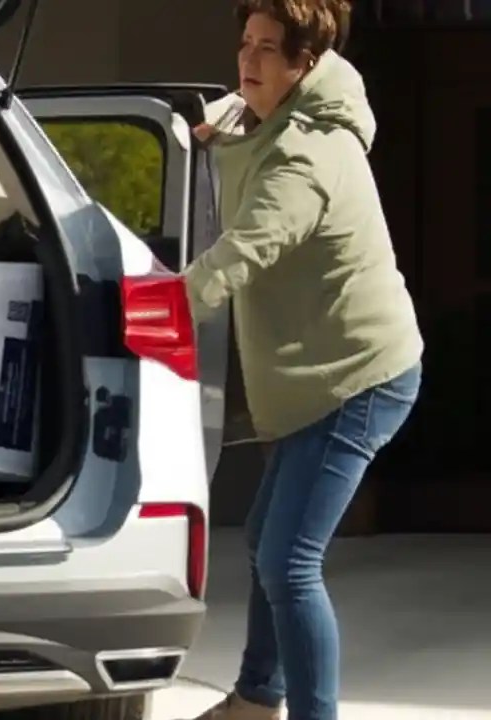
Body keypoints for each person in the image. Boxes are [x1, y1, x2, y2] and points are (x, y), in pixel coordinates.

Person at [182, 1, 424, 719]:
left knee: (288, 560)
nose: (248, 63)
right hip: (314, 371)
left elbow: (243, 250)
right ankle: (258, 698)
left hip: (358, 376)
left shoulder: (306, 155)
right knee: (266, 539)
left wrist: (144, 307)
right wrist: (221, 128)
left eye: (268, 50)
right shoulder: (275, 116)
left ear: (304, 64)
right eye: (244, 45)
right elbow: (247, 118)